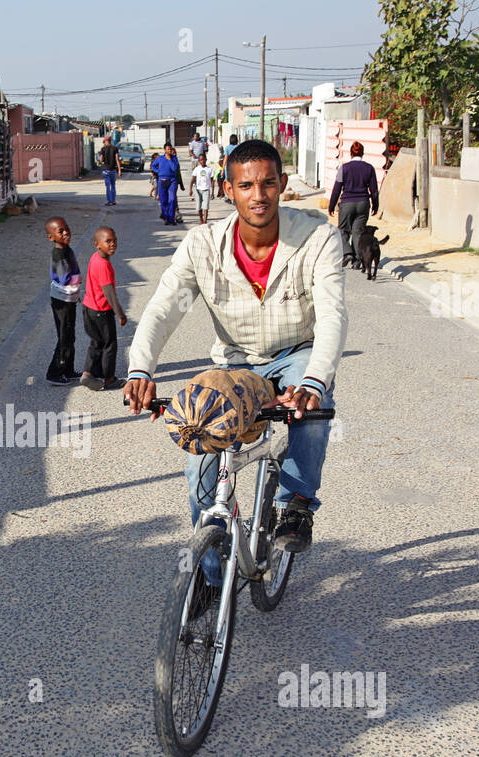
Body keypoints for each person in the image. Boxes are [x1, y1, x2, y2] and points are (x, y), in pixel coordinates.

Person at [123, 139, 347, 570]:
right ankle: (206, 582)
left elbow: (333, 315)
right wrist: (140, 369)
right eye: (246, 185)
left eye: (267, 184)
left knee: (315, 409)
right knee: (199, 472)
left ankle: (296, 504)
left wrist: (315, 381)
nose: (258, 195)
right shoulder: (201, 245)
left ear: (282, 185)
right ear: (228, 189)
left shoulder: (318, 237)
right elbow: (162, 309)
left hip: (296, 353)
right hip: (235, 363)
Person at [80, 226, 128, 391]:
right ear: (97, 244)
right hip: (101, 311)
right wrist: (120, 313)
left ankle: (88, 374)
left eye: (114, 240)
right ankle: (109, 378)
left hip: (88, 307)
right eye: (108, 241)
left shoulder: (95, 258)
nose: (113, 244)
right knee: (109, 344)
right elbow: (109, 292)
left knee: (96, 342)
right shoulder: (104, 265)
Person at [328, 141, 379, 268]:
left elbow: (337, 188)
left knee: (342, 230)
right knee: (358, 232)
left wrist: (331, 205)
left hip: (347, 203)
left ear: (351, 153)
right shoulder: (369, 168)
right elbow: (374, 190)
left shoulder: (344, 168)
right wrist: (375, 205)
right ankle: (357, 261)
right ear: (362, 153)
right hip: (363, 203)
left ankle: (347, 253)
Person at [44, 217, 81, 386]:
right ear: (51, 237)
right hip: (61, 300)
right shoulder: (59, 254)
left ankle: (68, 369)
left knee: (70, 334)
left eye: (67, 229)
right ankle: (54, 372)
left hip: (69, 298)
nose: (66, 233)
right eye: (61, 231)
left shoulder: (66, 249)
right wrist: (76, 278)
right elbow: (64, 278)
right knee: (64, 336)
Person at [152, 143, 182, 225]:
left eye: (170, 149)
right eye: (168, 149)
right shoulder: (160, 159)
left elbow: (174, 168)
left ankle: (172, 219)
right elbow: (153, 166)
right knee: (164, 201)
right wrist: (159, 172)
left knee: (172, 199)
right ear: (165, 150)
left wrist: (170, 159)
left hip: (172, 180)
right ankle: (166, 218)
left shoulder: (174, 158)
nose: (169, 151)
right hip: (162, 180)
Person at [188, 150, 214, 224]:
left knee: (205, 206)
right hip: (198, 190)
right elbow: (193, 179)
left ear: (206, 159)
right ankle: (201, 219)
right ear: (199, 161)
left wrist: (212, 192)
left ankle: (205, 220)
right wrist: (190, 189)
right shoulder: (197, 169)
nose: (202, 161)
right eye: (200, 160)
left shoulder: (209, 169)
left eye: (203, 159)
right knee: (198, 206)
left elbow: (212, 181)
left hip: (206, 189)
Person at [99, 136, 122, 206]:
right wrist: (119, 170)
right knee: (113, 186)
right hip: (112, 170)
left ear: (105, 141)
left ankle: (109, 201)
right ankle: (114, 200)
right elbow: (117, 160)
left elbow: (101, 160)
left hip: (106, 170)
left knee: (108, 186)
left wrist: (101, 154)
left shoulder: (103, 149)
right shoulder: (115, 148)